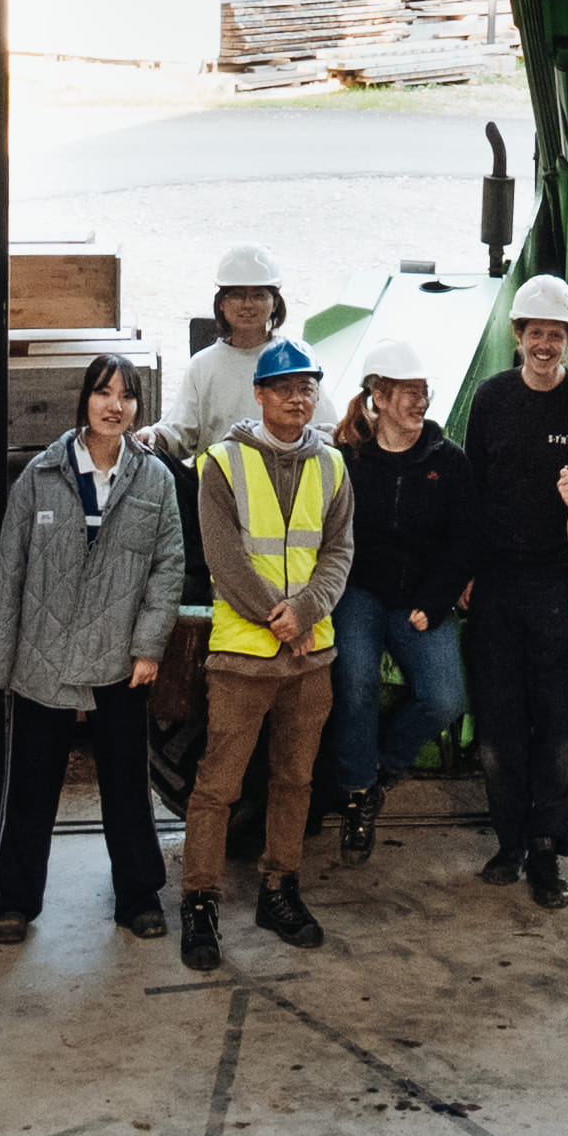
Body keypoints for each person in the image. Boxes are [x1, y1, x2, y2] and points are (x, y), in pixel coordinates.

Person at [0, 354, 180, 945]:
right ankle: (12, 900)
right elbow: (8, 570)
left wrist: (149, 646)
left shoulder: (155, 481)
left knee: (125, 783)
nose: (115, 405)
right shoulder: (40, 475)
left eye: (127, 396)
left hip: (120, 656)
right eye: (103, 393)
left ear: (139, 407)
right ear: (84, 400)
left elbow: (169, 570)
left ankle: (139, 896)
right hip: (44, 654)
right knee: (31, 784)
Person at [179, 338, 355, 972]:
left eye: (306, 387)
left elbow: (338, 552)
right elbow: (223, 558)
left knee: (296, 781)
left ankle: (280, 888)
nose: (296, 397)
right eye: (283, 387)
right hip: (244, 657)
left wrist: (305, 612)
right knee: (217, 787)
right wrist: (278, 619)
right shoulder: (221, 465)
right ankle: (199, 903)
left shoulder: (333, 466)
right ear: (259, 394)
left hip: (311, 657)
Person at [461, 272, 568, 908]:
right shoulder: (491, 399)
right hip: (495, 584)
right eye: (536, 333)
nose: (546, 344)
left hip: (560, 584)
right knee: (498, 722)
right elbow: (470, 492)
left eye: (557, 334)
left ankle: (548, 850)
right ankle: (509, 841)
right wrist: (467, 571)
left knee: (554, 724)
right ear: (518, 337)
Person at [328, 335, 473, 866]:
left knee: (443, 698)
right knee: (356, 677)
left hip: (420, 598)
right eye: (407, 392)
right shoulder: (347, 460)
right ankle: (356, 793)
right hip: (359, 593)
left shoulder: (447, 461)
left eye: (423, 391)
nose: (419, 401)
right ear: (378, 397)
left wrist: (434, 602)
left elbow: (465, 541)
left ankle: (379, 769)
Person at [156, 243, 342, 460]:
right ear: (222, 304)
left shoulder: (294, 360)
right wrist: (153, 436)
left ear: (274, 304)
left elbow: (327, 433)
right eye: (237, 295)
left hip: (286, 482)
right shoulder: (203, 365)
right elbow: (180, 432)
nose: (247, 305)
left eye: (258, 295)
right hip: (218, 486)